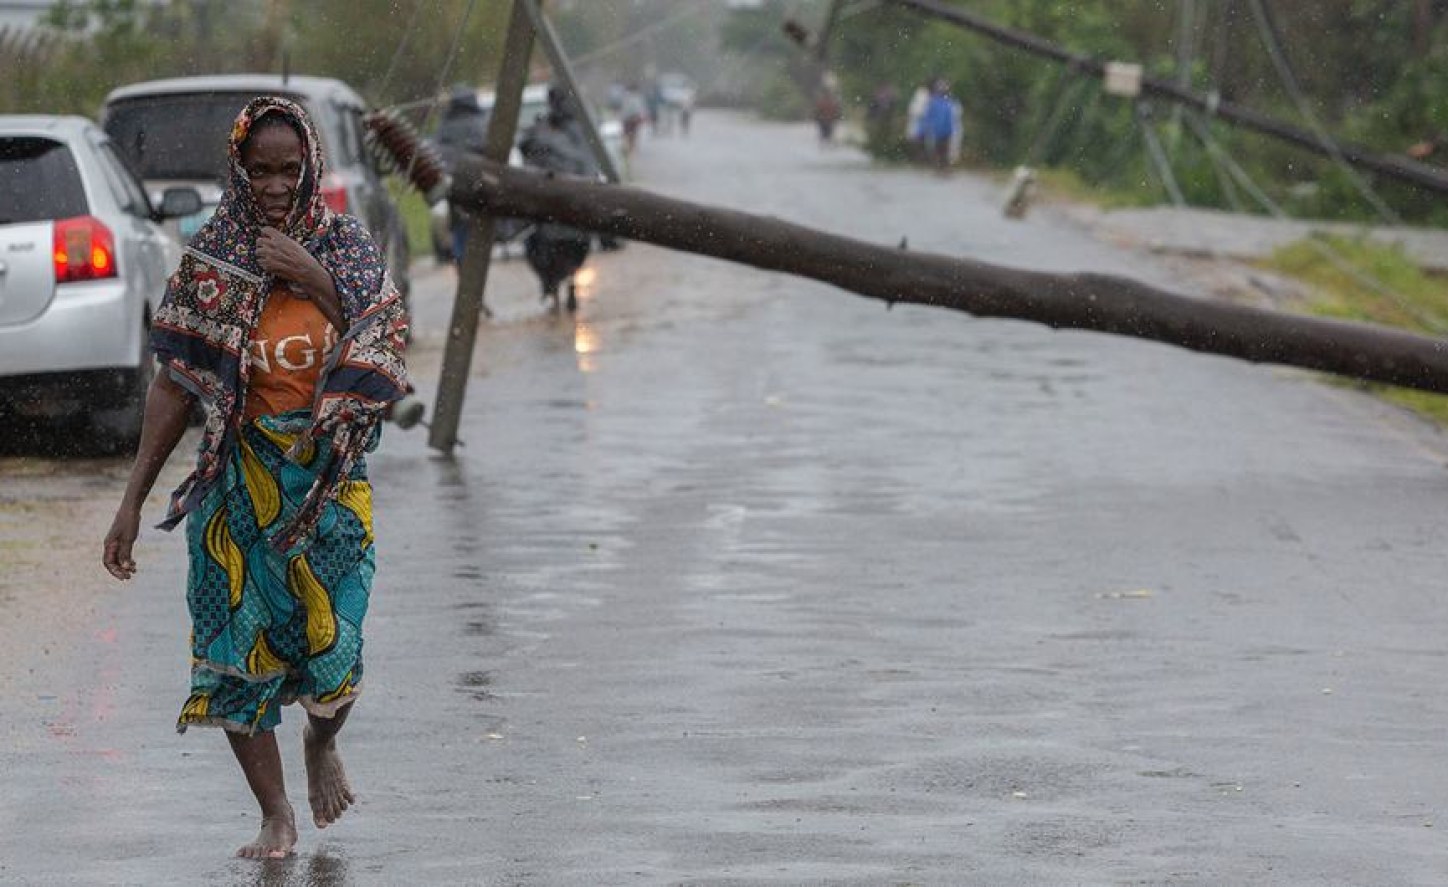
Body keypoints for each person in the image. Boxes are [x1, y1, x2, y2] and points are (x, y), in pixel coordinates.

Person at [102, 96, 410, 860]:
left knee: (334, 655)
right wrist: (132, 501)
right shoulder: (213, 257)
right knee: (234, 652)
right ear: (238, 169)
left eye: (290, 170)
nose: (276, 185)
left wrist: (312, 279)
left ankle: (320, 740)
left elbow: (385, 333)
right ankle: (276, 812)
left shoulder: (343, 245)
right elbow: (175, 383)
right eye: (261, 170)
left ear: (311, 167)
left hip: (328, 484)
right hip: (236, 481)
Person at [518, 86, 595, 312]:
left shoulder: (552, 131)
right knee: (567, 253)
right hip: (572, 216)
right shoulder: (578, 130)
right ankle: (561, 284)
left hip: (552, 218)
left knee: (540, 251)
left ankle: (553, 287)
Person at [433, 84, 488, 263]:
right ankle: (474, 258)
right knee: (477, 224)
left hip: (454, 185)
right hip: (477, 185)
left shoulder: (445, 125)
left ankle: (461, 257)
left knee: (460, 225)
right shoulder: (481, 123)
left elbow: (437, 153)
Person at [920, 78, 957, 171]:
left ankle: (945, 167)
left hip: (947, 130)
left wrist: (952, 129)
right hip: (936, 130)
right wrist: (925, 128)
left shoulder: (949, 101)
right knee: (937, 149)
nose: (942, 88)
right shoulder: (933, 101)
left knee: (945, 149)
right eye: (940, 86)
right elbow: (928, 116)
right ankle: (938, 168)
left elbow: (951, 117)